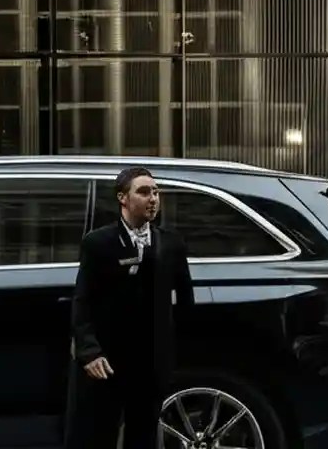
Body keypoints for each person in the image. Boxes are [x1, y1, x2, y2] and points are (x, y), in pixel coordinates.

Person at [64, 166, 196, 449]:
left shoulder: (171, 244)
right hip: (108, 361)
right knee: (98, 433)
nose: (153, 199)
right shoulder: (98, 243)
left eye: (156, 192)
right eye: (144, 192)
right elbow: (83, 300)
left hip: (151, 362)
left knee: (144, 434)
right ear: (123, 198)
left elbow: (186, 302)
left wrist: (176, 353)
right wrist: (89, 352)